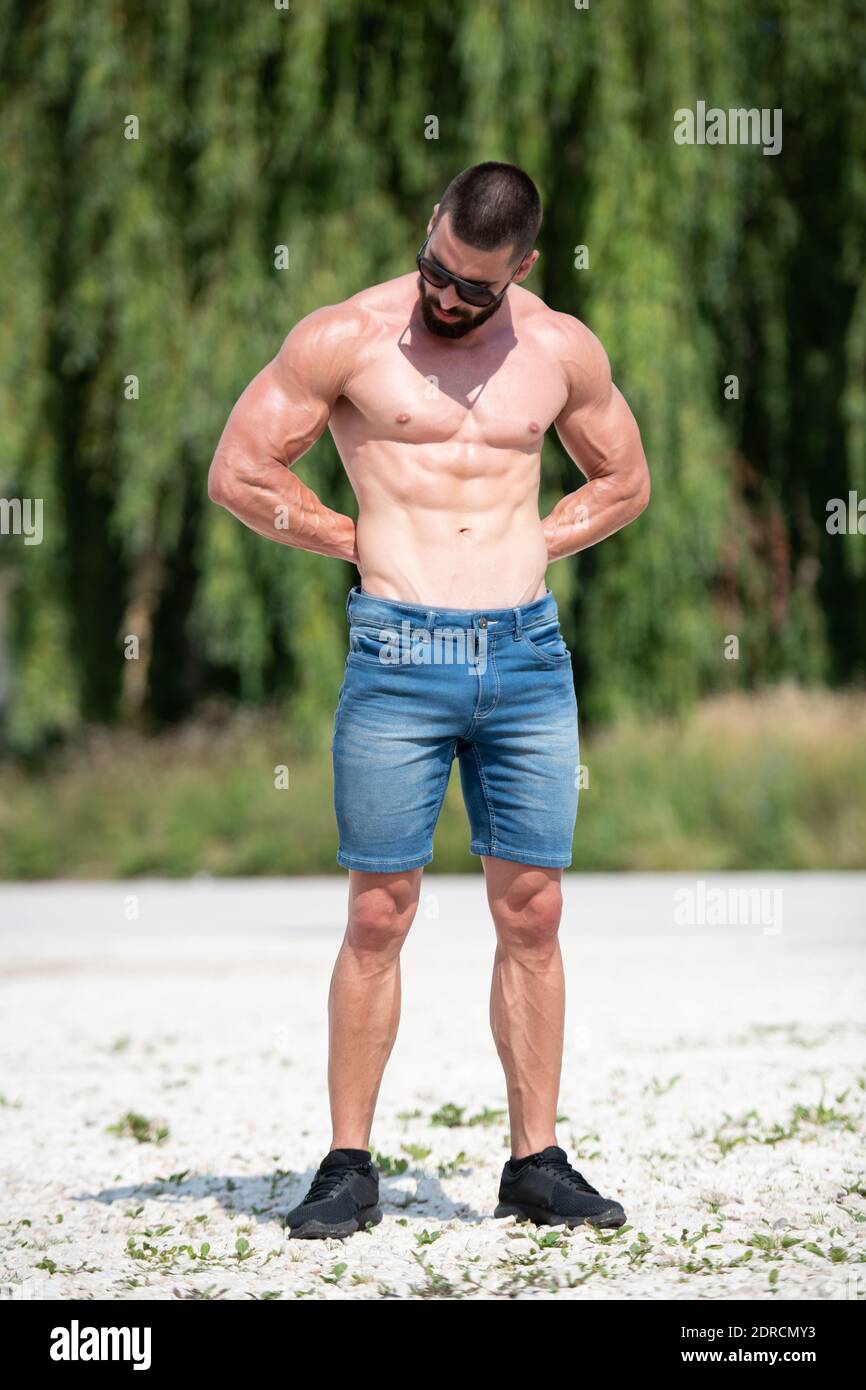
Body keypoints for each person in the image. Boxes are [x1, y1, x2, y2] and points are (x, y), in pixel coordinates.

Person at [207, 161, 650, 1239]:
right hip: (397, 653)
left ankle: (533, 1162)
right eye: (438, 272)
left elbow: (625, 482)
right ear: (428, 231)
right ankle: (348, 1163)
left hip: (525, 657)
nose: (448, 299)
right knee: (376, 910)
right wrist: (356, 542)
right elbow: (241, 471)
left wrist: (525, 543)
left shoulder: (557, 350)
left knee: (532, 908)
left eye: (476, 288)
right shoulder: (347, 337)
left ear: (522, 270)